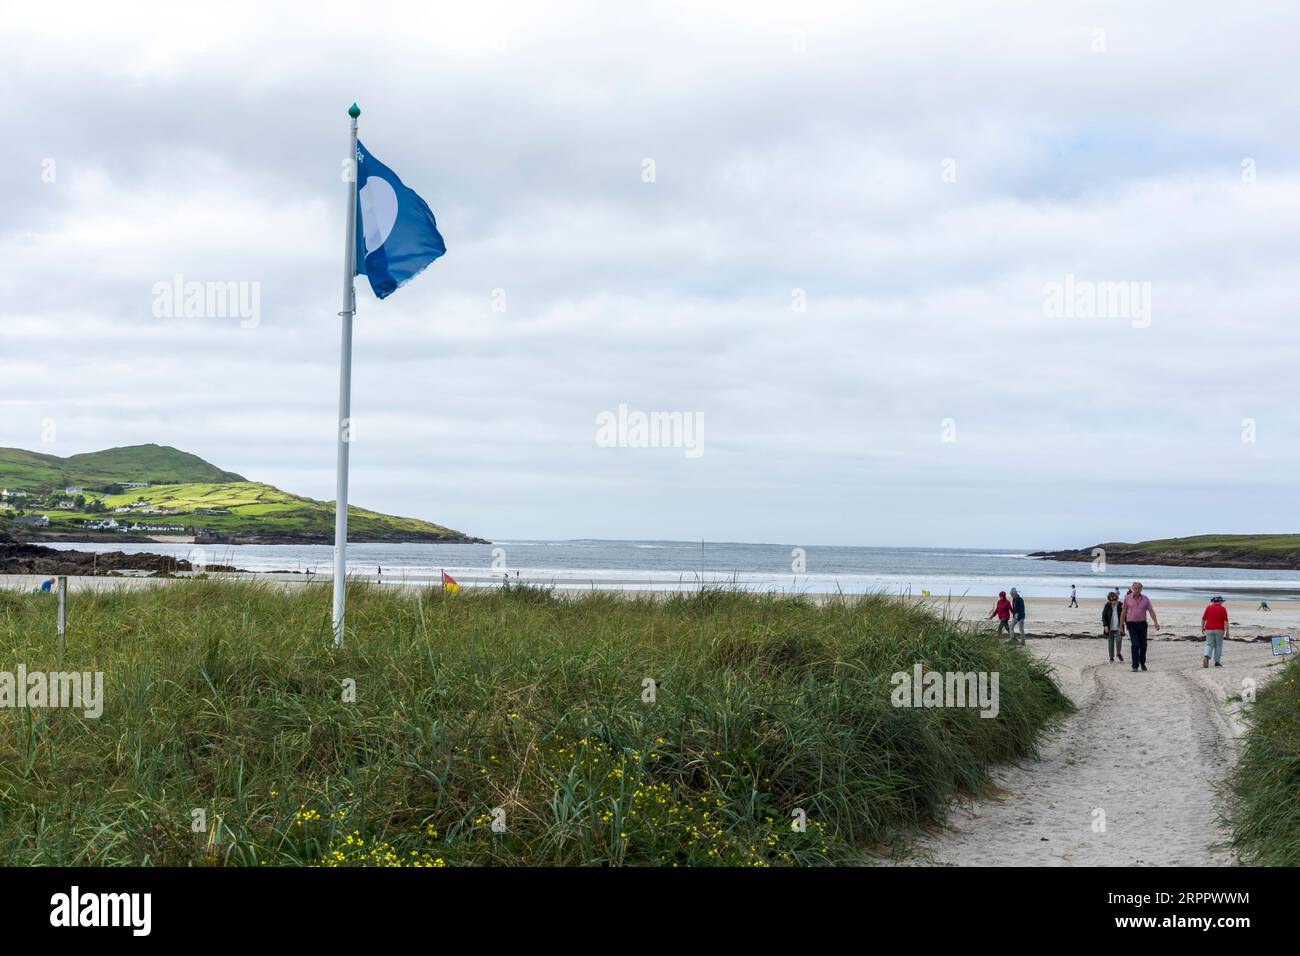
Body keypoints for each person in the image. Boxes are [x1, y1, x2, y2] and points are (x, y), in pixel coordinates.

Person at [1121, 581, 1160, 671]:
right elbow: (1123, 612)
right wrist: (1121, 625)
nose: (1137, 590)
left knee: (1143, 645)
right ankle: (1135, 666)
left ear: (1141, 589)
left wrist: (1156, 622)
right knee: (1135, 644)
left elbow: (1151, 611)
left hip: (1142, 624)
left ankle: (1142, 662)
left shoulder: (1146, 599)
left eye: (1139, 588)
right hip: (1131, 624)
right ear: (1132, 588)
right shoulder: (1127, 598)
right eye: (1135, 588)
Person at [1201, 596, 1228, 668]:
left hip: (1208, 629)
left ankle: (1206, 656)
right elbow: (1225, 621)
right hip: (1219, 629)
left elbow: (1203, 619)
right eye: (1221, 601)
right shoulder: (1223, 609)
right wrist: (1227, 632)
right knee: (1218, 645)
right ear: (1219, 601)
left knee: (1209, 644)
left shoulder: (1208, 607)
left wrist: (1202, 628)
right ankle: (1217, 662)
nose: (1222, 602)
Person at [1102, 591, 1125, 662]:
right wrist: (1105, 625)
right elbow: (1104, 616)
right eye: (1112, 600)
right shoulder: (1107, 605)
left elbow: (1125, 615)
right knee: (1110, 643)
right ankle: (1111, 657)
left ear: (1117, 598)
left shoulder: (1121, 604)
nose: (1114, 601)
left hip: (1119, 627)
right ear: (1109, 600)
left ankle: (1118, 653)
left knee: (1119, 641)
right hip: (1110, 627)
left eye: (1115, 600)